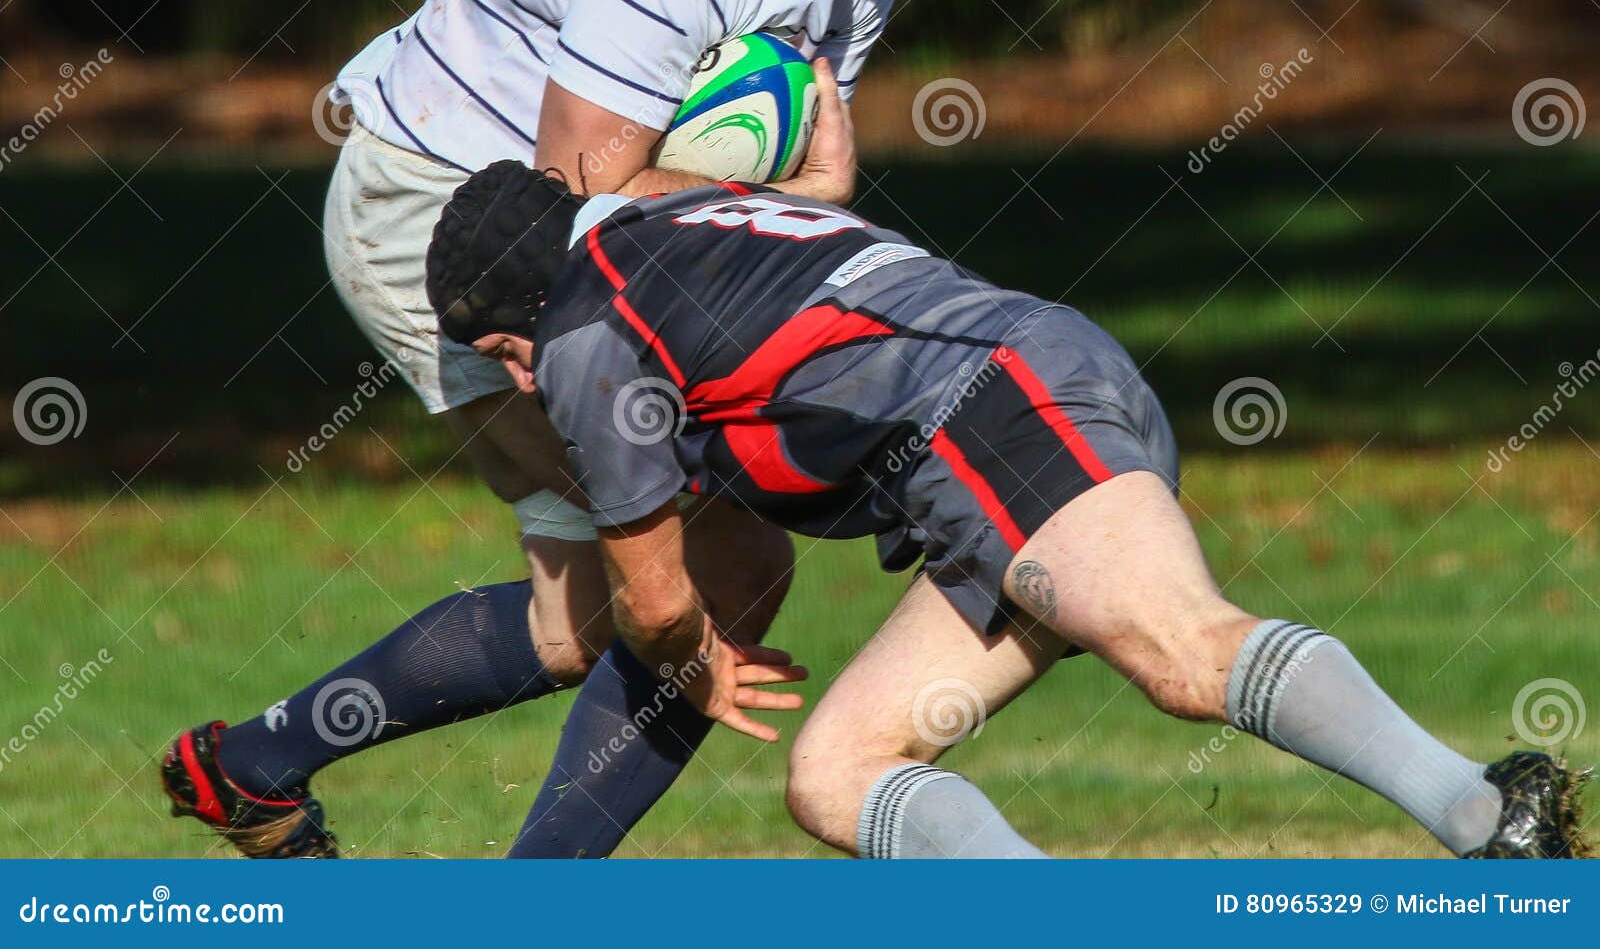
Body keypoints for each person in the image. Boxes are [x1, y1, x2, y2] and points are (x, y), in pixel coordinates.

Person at [161, 0, 1040, 858]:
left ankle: (254, 769)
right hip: (449, 222)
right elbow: (583, 198)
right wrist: (810, 200)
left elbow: (714, 211)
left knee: (622, 607)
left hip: (582, 237)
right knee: (700, 569)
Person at [421, 160, 1588, 860]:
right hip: (1011, 403)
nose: (521, 378)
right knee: (836, 773)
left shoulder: (581, 328)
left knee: (1182, 649)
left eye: (507, 349)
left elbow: (657, 592)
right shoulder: (682, 211)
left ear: (528, 307)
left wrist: (688, 656)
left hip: (988, 415)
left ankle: (1492, 827)